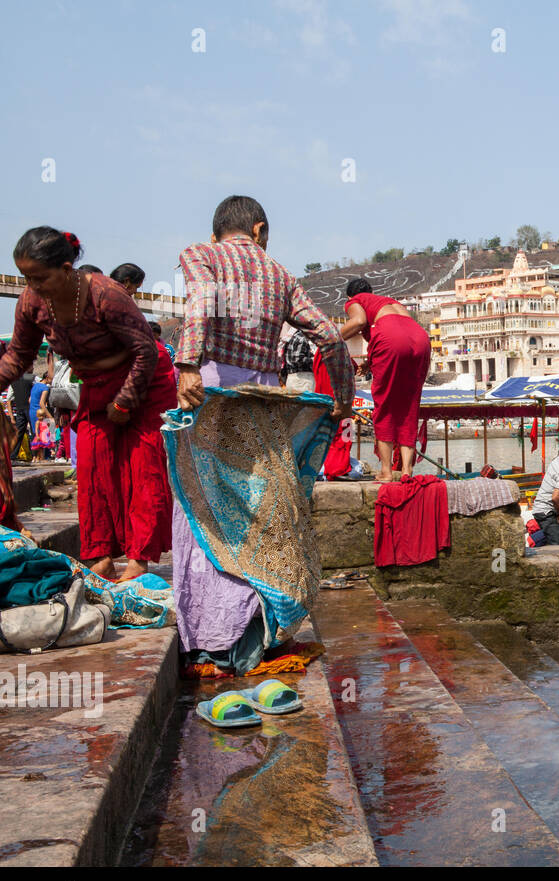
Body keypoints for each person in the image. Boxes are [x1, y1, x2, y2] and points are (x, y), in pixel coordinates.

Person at [173, 195, 353, 675]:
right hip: (261, 408)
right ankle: (253, 630)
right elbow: (332, 338)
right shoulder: (280, 276)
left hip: (208, 403)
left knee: (204, 514)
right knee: (260, 517)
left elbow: (203, 300)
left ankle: (212, 640)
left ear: (217, 233)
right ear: (260, 230)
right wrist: (344, 395)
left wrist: (187, 362)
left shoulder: (201, 254)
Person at [0, 228, 176, 581]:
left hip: (145, 378)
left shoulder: (105, 294)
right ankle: (99, 556)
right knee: (94, 469)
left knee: (142, 468)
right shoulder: (32, 303)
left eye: (40, 277)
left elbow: (144, 350)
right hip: (96, 386)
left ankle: (139, 559)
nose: (32, 286)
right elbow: (19, 356)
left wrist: (125, 401)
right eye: (26, 278)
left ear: (66, 269)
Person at [339, 278, 430, 481]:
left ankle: (387, 471)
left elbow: (360, 321)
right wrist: (370, 363)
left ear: (350, 296)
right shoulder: (388, 301)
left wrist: (330, 338)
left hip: (390, 338)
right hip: (421, 339)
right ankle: (407, 471)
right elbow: (401, 336)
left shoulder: (356, 301)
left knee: (385, 405)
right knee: (410, 406)